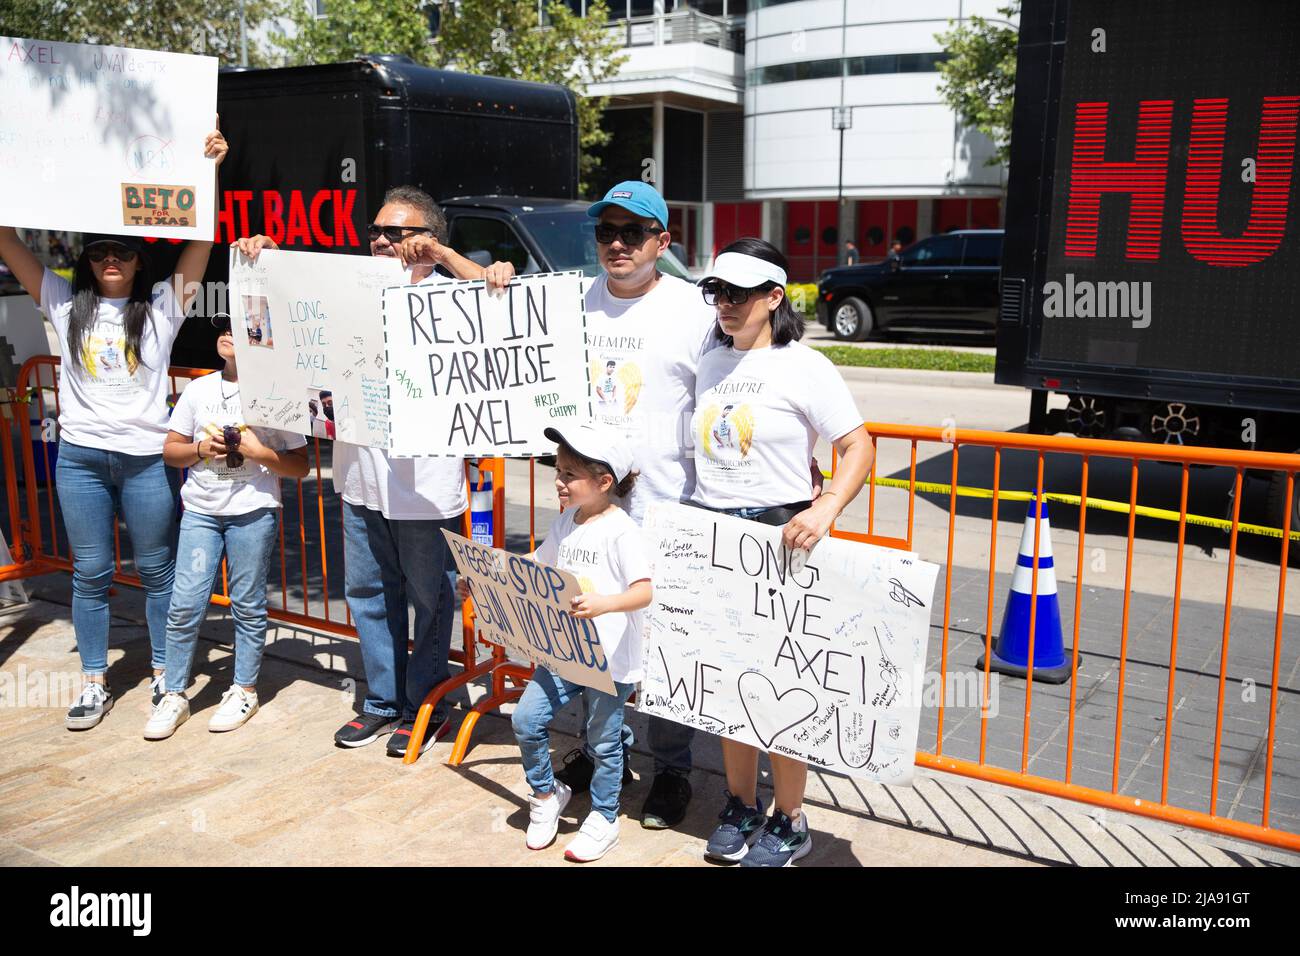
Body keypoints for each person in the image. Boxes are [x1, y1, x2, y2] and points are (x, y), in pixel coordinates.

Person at [236, 185, 515, 756]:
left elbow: (500, 302)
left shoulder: (454, 297)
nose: (383, 241)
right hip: (358, 478)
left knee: (429, 601)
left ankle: (426, 706)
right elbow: (285, 312)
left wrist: (446, 260)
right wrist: (261, 261)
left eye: (399, 232)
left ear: (430, 239)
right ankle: (382, 704)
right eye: (377, 233)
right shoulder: (346, 293)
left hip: (424, 490)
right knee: (367, 593)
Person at [0, 123, 228, 730]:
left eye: (120, 252)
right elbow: (8, 241)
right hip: (79, 463)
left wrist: (209, 171)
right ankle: (95, 681)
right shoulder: (59, 301)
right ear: (87, 259)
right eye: (99, 251)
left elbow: (199, 247)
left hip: (148, 461)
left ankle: (163, 674)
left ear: (137, 261)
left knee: (157, 570)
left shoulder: (161, 310)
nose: (109, 261)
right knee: (91, 572)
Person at [689, 237, 874, 866]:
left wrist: (823, 510)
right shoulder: (710, 360)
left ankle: (790, 818)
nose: (726, 304)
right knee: (726, 688)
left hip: (779, 537)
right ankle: (741, 805)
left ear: (775, 296)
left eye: (741, 293)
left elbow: (858, 447)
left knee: (779, 688)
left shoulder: (805, 366)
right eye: (717, 290)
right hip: (715, 537)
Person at [567, 180, 718, 829]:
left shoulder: (695, 311)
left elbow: (731, 397)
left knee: (663, 650)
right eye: (607, 231)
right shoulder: (573, 304)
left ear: (664, 240)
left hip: (667, 510)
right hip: (590, 513)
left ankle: (673, 770)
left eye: (634, 232)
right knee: (593, 635)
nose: (618, 244)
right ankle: (607, 750)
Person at [461, 422, 650, 861]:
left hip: (610, 660)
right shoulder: (566, 521)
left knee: (603, 741)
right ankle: (546, 796)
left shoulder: (622, 531)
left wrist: (605, 604)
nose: (558, 479)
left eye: (569, 473)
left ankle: (604, 818)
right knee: (526, 720)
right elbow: (537, 566)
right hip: (563, 651)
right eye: (558, 469)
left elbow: (644, 589)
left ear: (604, 482)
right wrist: (489, 575)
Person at [145, 312, 310, 738]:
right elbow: (170, 451)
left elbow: (299, 465)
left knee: (248, 604)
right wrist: (200, 448)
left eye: (240, 327)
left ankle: (244, 689)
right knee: (185, 603)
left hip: (253, 512)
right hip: (201, 511)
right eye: (224, 327)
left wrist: (257, 451)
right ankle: (175, 694)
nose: (228, 334)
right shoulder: (199, 389)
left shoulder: (278, 394)